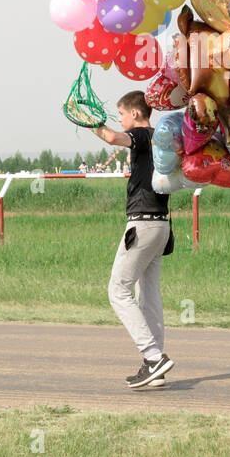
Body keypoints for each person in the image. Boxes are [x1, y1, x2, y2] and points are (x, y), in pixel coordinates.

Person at [89, 91, 175, 390]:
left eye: (122, 114)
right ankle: (155, 367)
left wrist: (90, 124)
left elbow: (113, 138)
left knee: (118, 290)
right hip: (162, 224)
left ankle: (153, 357)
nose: (121, 120)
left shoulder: (141, 133)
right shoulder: (163, 138)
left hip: (141, 224)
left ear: (136, 114)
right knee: (148, 295)